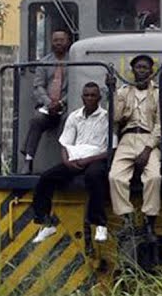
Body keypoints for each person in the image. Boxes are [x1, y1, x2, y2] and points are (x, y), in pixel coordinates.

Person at [30, 82, 112, 244]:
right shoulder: (74, 117)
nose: (89, 98)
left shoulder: (107, 118)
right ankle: (46, 222)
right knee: (47, 177)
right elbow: (65, 143)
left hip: (96, 159)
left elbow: (111, 149)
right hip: (75, 159)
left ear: (99, 98)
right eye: (86, 95)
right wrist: (67, 161)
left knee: (94, 176)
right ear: (82, 97)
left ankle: (100, 224)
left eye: (93, 95)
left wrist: (88, 160)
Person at [109, 55, 162, 237]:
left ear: (151, 71)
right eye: (138, 67)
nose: (141, 71)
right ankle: (127, 219)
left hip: (149, 139)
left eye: (145, 68)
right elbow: (116, 118)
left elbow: (161, 124)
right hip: (127, 138)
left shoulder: (159, 93)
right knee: (115, 177)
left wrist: (148, 149)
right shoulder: (124, 91)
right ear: (132, 71)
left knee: (154, 177)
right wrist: (113, 93)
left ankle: (150, 222)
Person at [22, 27, 72, 172]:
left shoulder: (75, 61)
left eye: (61, 40)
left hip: (67, 105)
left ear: (68, 42)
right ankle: (28, 160)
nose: (58, 43)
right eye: (55, 40)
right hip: (48, 106)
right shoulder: (44, 62)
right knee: (37, 120)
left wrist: (62, 102)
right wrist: (49, 103)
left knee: (68, 120)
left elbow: (75, 85)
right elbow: (38, 86)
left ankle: (65, 162)